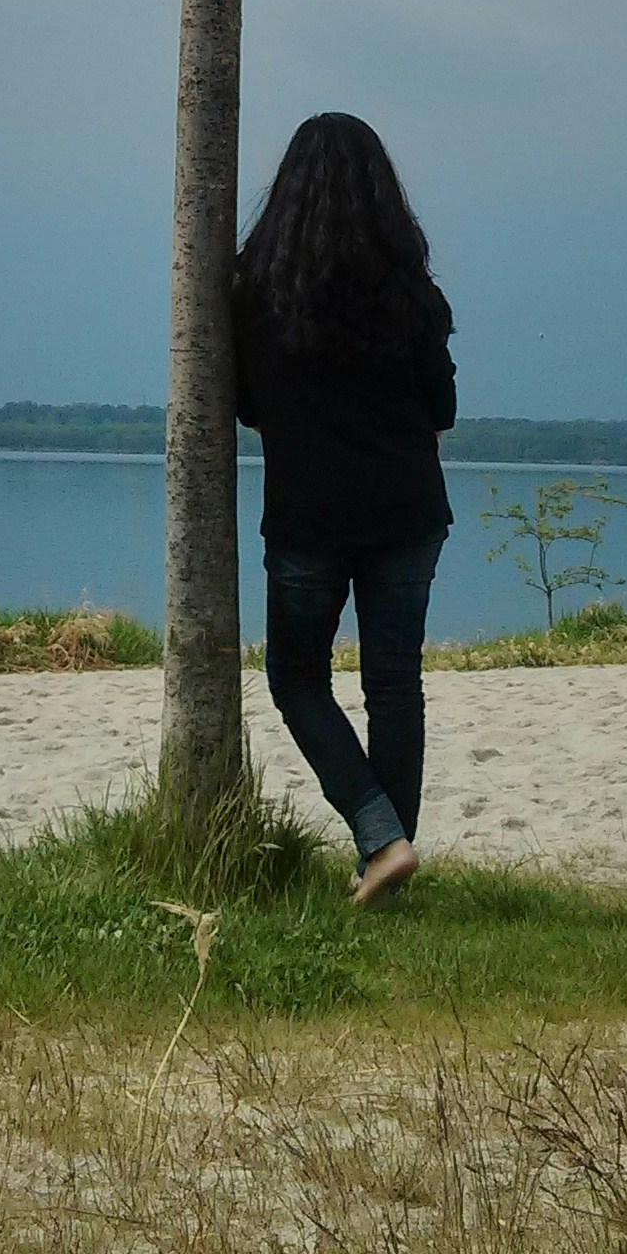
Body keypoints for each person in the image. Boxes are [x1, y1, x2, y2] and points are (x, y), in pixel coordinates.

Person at [233, 112, 457, 905]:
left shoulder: (253, 290)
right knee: (395, 685)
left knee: (297, 678)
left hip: (308, 514)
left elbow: (246, 404)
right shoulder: (412, 293)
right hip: (407, 508)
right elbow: (442, 407)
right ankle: (384, 866)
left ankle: (381, 840)